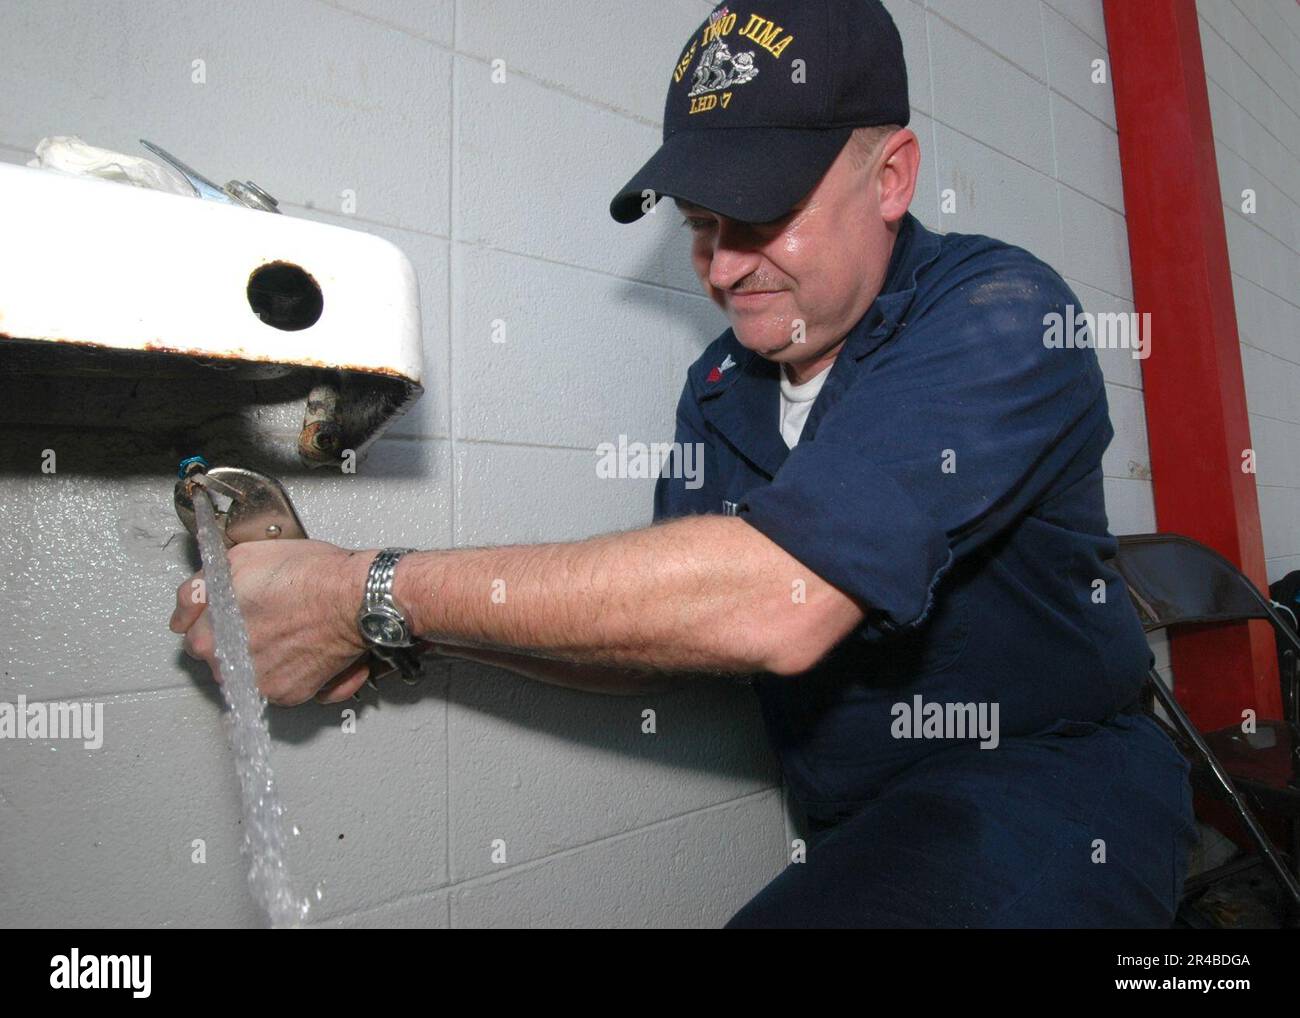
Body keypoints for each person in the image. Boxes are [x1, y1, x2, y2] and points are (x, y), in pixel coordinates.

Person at [169, 0, 1199, 927]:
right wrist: (395, 630)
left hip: (1052, 786)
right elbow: (667, 637)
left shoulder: (1001, 315)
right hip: (865, 817)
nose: (722, 268)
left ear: (891, 176)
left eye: (760, 218)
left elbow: (779, 599)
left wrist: (363, 592)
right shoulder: (722, 383)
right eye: (702, 226)